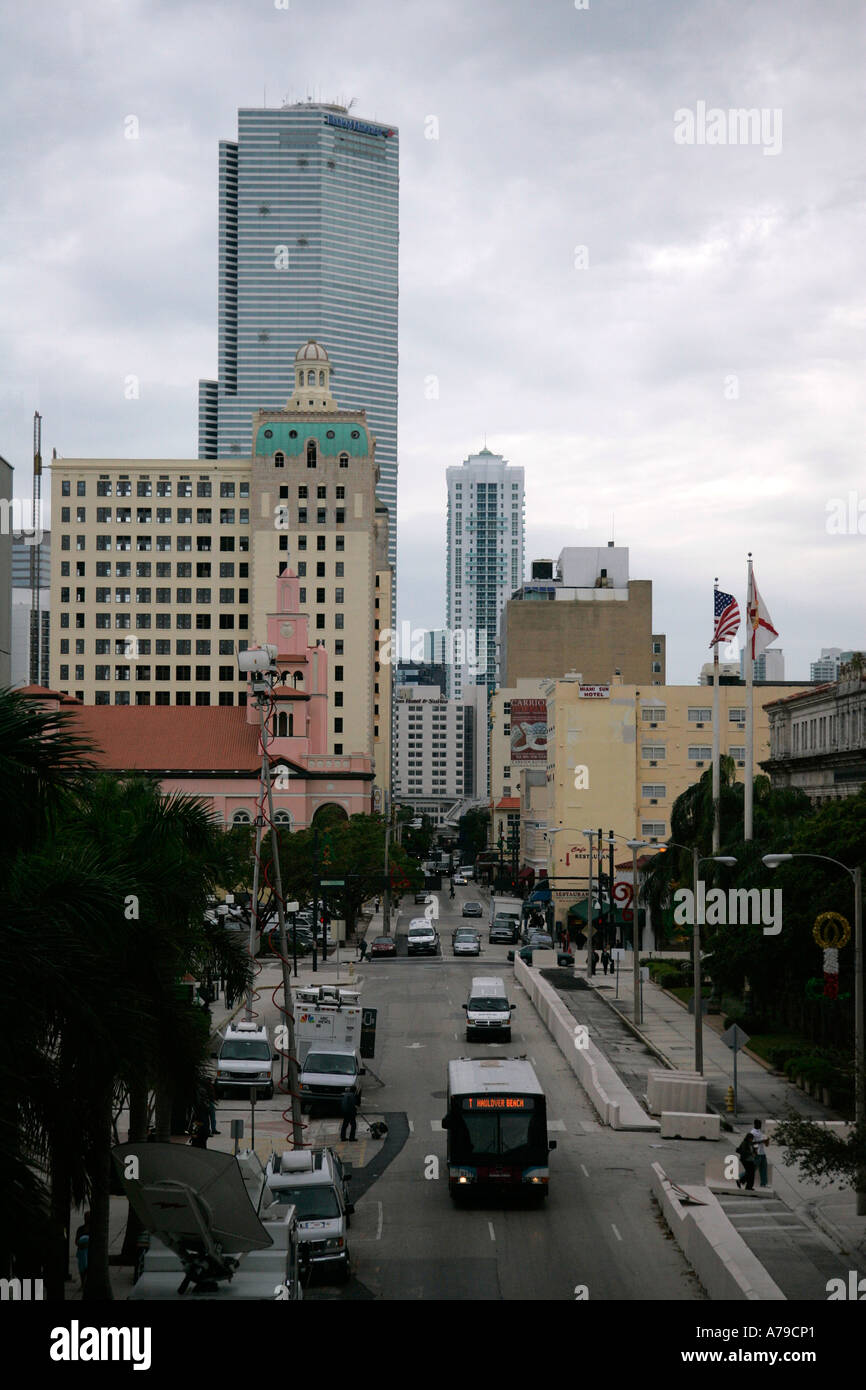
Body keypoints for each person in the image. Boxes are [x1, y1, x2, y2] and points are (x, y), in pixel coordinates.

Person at [749, 1119, 770, 1187]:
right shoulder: (752, 1133)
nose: (760, 1125)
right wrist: (762, 1141)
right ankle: (741, 1178)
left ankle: (763, 1183)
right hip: (757, 1153)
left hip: (762, 1153)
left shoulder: (760, 1132)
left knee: (764, 1168)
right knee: (752, 1169)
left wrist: (766, 1141)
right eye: (759, 1124)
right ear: (755, 1124)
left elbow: (764, 1142)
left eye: (760, 1124)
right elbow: (751, 1143)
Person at [75, 1213, 90, 1290]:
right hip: (81, 1251)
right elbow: (76, 1241)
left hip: (89, 1252)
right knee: (82, 1269)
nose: (87, 1219)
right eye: (86, 1217)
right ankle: (82, 1283)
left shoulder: (94, 1229)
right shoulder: (80, 1229)